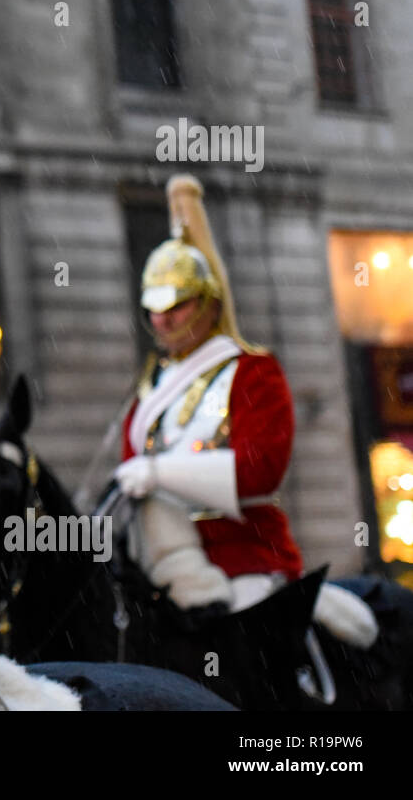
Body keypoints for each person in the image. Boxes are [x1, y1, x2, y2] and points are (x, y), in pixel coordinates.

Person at [112, 175, 372, 647]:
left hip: (243, 555)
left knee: (253, 653)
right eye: (154, 307)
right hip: (154, 564)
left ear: (208, 304)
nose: (162, 320)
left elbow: (260, 472)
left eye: (176, 305)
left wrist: (158, 470)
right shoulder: (153, 385)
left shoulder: (252, 372)